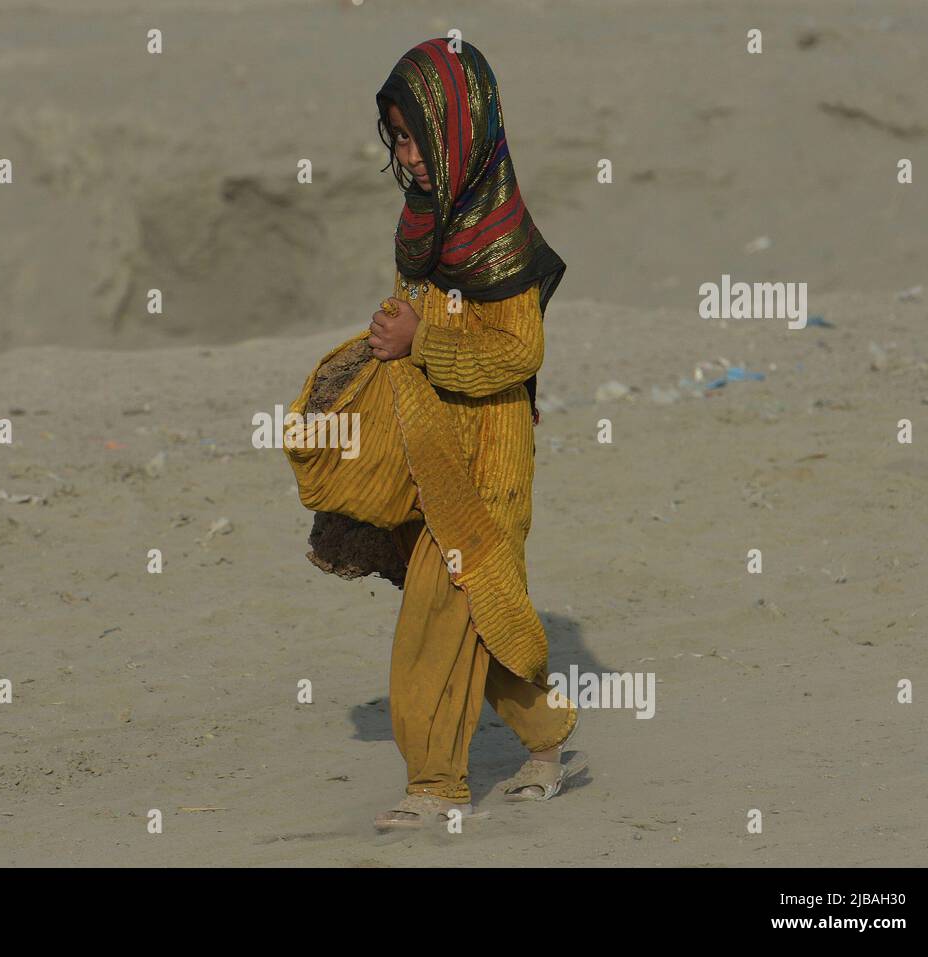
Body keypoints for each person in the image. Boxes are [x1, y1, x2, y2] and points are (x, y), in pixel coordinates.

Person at [364, 37, 585, 829]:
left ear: (462, 131)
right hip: (433, 443)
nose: (407, 156)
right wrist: (391, 336)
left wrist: (420, 339)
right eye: (397, 139)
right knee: (483, 613)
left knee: (443, 606)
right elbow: (412, 318)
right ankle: (547, 742)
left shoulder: (502, 237)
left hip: (493, 454)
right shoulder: (420, 224)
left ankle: (434, 784)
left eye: (419, 138)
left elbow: (519, 352)